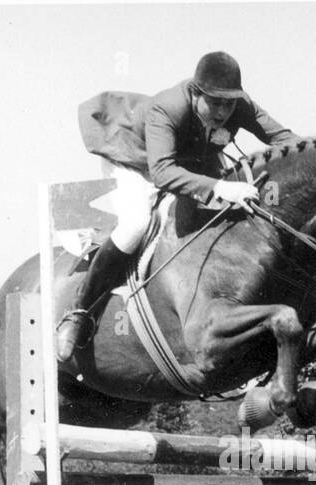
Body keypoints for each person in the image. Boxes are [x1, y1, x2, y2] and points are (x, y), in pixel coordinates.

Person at [58, 52, 298, 362]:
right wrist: (220, 187)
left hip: (186, 158)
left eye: (230, 104)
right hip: (135, 156)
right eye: (216, 103)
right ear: (196, 93)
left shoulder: (238, 104)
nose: (224, 112)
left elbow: (285, 140)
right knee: (137, 223)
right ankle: (80, 311)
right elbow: (162, 172)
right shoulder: (168, 108)